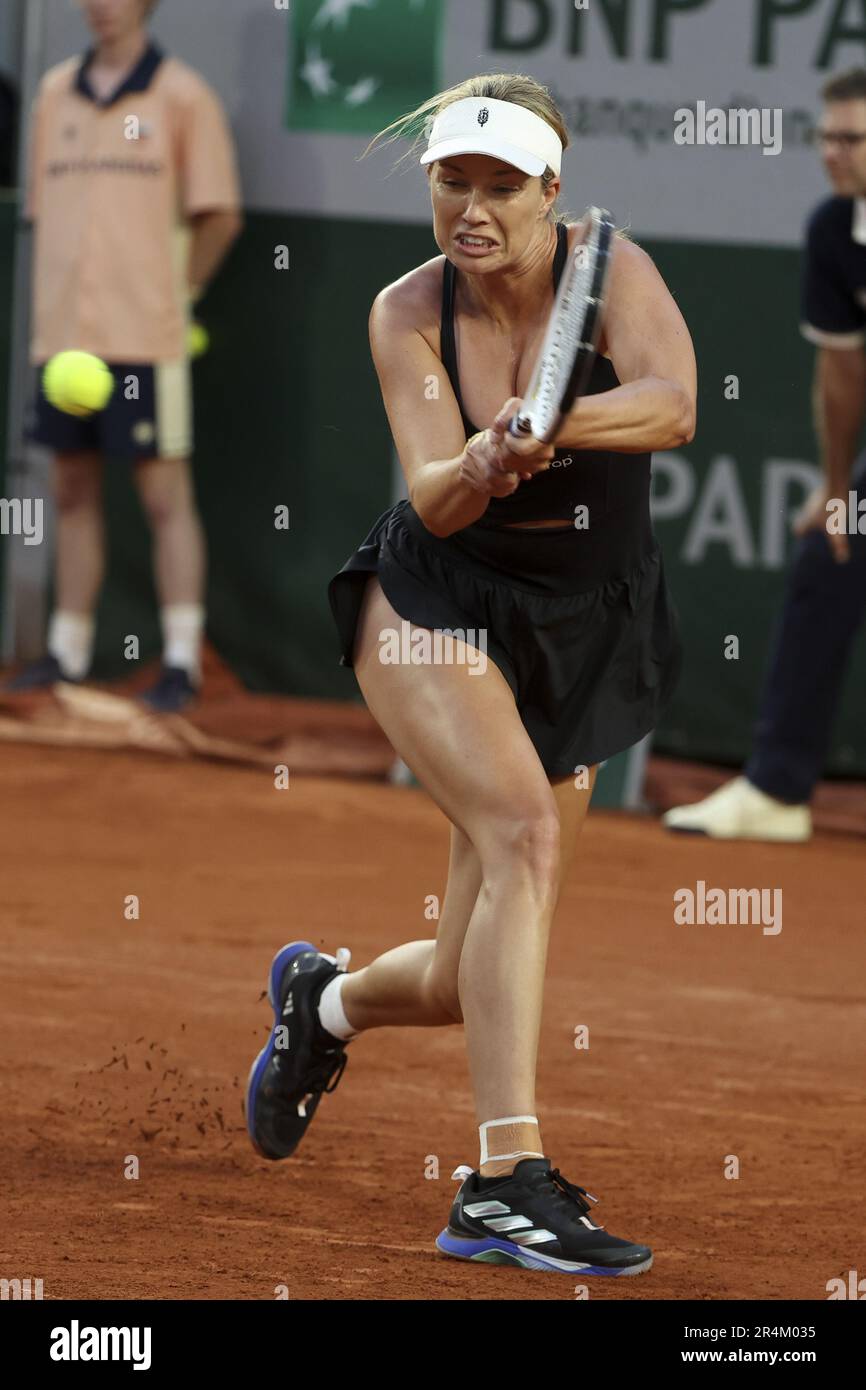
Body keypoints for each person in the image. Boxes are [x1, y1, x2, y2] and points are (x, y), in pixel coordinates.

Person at [246, 74, 696, 1277]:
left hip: (583, 618)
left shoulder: (610, 271)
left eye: (502, 185)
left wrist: (562, 425)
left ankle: (321, 1005)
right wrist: (488, 455)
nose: (474, 207)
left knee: (458, 975)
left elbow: (669, 404)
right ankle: (502, 1182)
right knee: (522, 843)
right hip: (430, 604)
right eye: (454, 180)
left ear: (552, 190)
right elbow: (433, 496)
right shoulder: (405, 308)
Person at [5, 0, 242, 711]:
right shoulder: (51, 94)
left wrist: (180, 295)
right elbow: (45, 215)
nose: (99, 7)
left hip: (145, 341)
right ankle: (67, 652)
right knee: (70, 492)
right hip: (62, 342)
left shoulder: (182, 96)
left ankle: (179, 661)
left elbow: (220, 215)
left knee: (164, 497)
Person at [664, 67, 866, 843]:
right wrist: (838, 487)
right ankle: (777, 791)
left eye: (852, 139)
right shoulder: (833, 231)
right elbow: (844, 370)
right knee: (832, 557)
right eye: (827, 137)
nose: (832, 154)